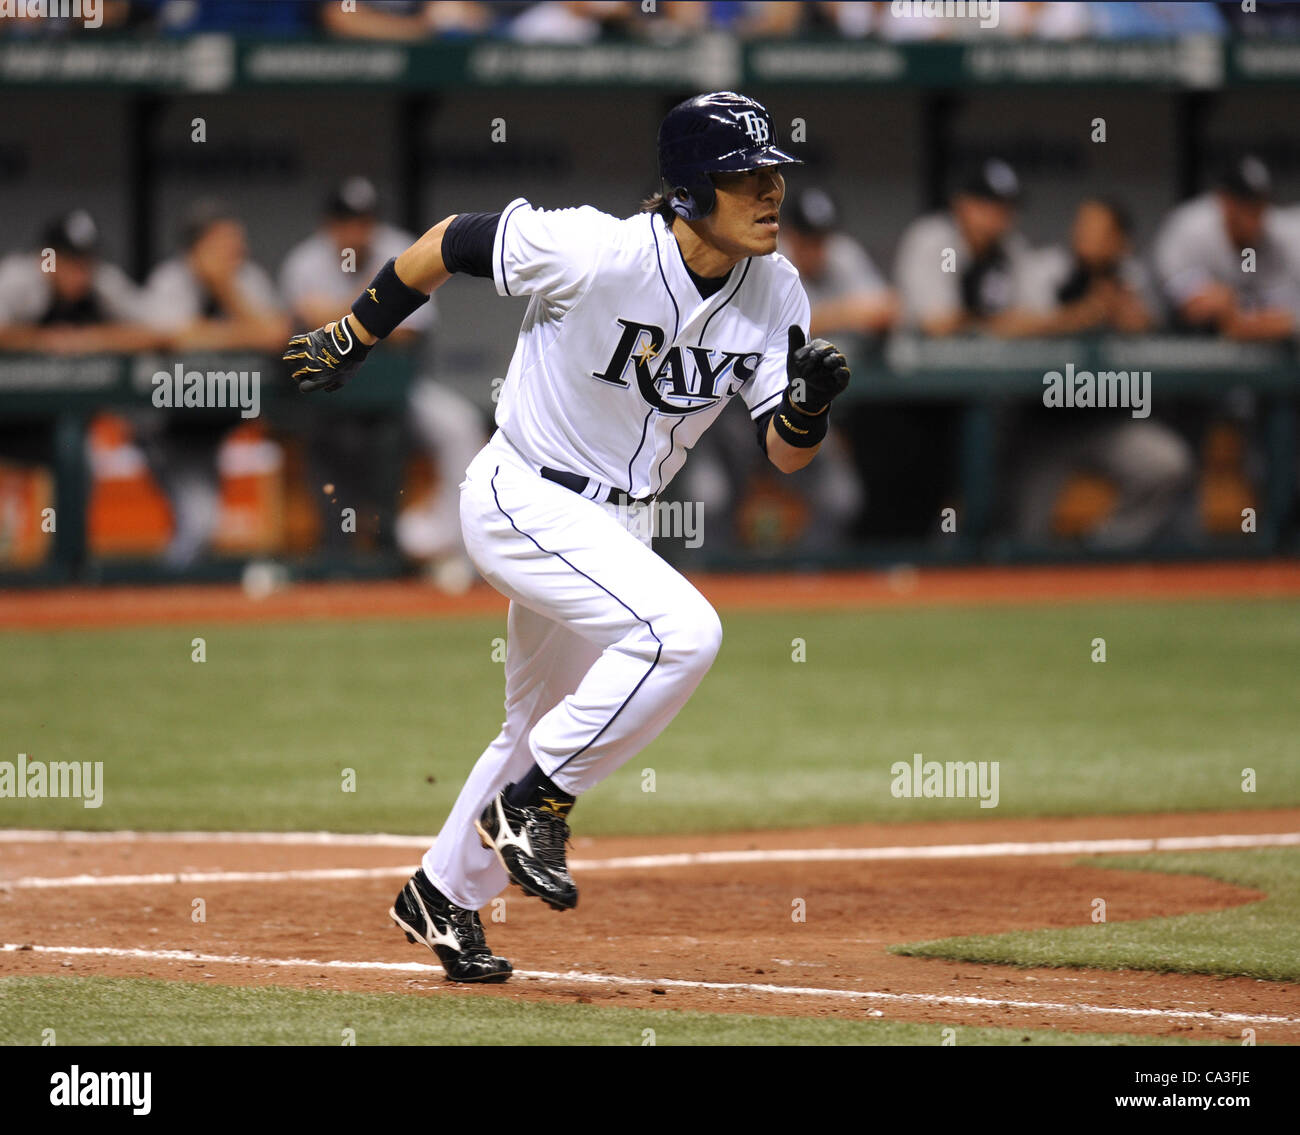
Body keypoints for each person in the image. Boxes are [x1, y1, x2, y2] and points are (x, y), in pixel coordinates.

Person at [284, 91, 851, 982]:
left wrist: (810, 408)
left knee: (534, 724)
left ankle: (441, 893)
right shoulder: (599, 248)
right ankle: (537, 802)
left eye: (775, 171)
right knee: (683, 633)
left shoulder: (778, 289)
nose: (772, 190)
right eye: (749, 175)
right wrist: (359, 331)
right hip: (522, 492)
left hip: (617, 522)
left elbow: (784, 452)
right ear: (696, 188)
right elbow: (452, 241)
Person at [281, 177, 484, 580]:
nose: (356, 231)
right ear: (329, 224)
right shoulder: (305, 261)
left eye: (364, 221)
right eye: (346, 221)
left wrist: (337, 313)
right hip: (326, 393)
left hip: (400, 390)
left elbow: (409, 330)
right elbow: (299, 325)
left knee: (459, 426)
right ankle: (336, 554)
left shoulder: (401, 248)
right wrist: (375, 306)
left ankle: (455, 550)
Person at [1009, 199, 1195, 548]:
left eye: (1099, 231)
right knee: (1025, 533)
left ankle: (1103, 551)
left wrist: (1130, 318)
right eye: (1082, 227)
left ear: (1121, 242)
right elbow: (1013, 325)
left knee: (1167, 462)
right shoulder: (1046, 268)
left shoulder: (1134, 278)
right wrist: (1082, 316)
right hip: (1045, 422)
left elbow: (1152, 328)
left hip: (1111, 421)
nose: (1085, 237)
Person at [138, 201, 289, 568]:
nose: (236, 251)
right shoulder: (170, 279)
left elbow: (275, 335)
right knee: (201, 519)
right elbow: (171, 338)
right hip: (165, 423)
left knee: (202, 519)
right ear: (195, 248)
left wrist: (224, 288)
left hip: (218, 420)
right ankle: (162, 595)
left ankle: (175, 592)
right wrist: (241, 334)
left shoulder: (245, 279)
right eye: (222, 243)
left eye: (236, 242)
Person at [1153, 155, 1300, 342]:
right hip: (1181, 345)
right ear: (1224, 201)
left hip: (1262, 354)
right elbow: (1194, 306)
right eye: (1245, 204)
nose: (1254, 215)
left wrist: (1246, 314)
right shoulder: (1189, 228)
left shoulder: (1279, 235)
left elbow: (1286, 310)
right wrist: (1238, 310)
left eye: (1259, 204)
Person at [894, 157, 1038, 335]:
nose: (1000, 216)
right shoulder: (941, 243)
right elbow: (939, 322)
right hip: (924, 357)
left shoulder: (1012, 248)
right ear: (962, 204)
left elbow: (1035, 316)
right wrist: (998, 323)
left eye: (1007, 207)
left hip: (991, 357)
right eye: (989, 205)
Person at [0, 210, 162, 355]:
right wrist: (41, 339)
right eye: (70, 261)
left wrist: (91, 338)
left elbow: (159, 332)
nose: (81, 271)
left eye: (86, 261)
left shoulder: (102, 279)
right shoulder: (20, 279)